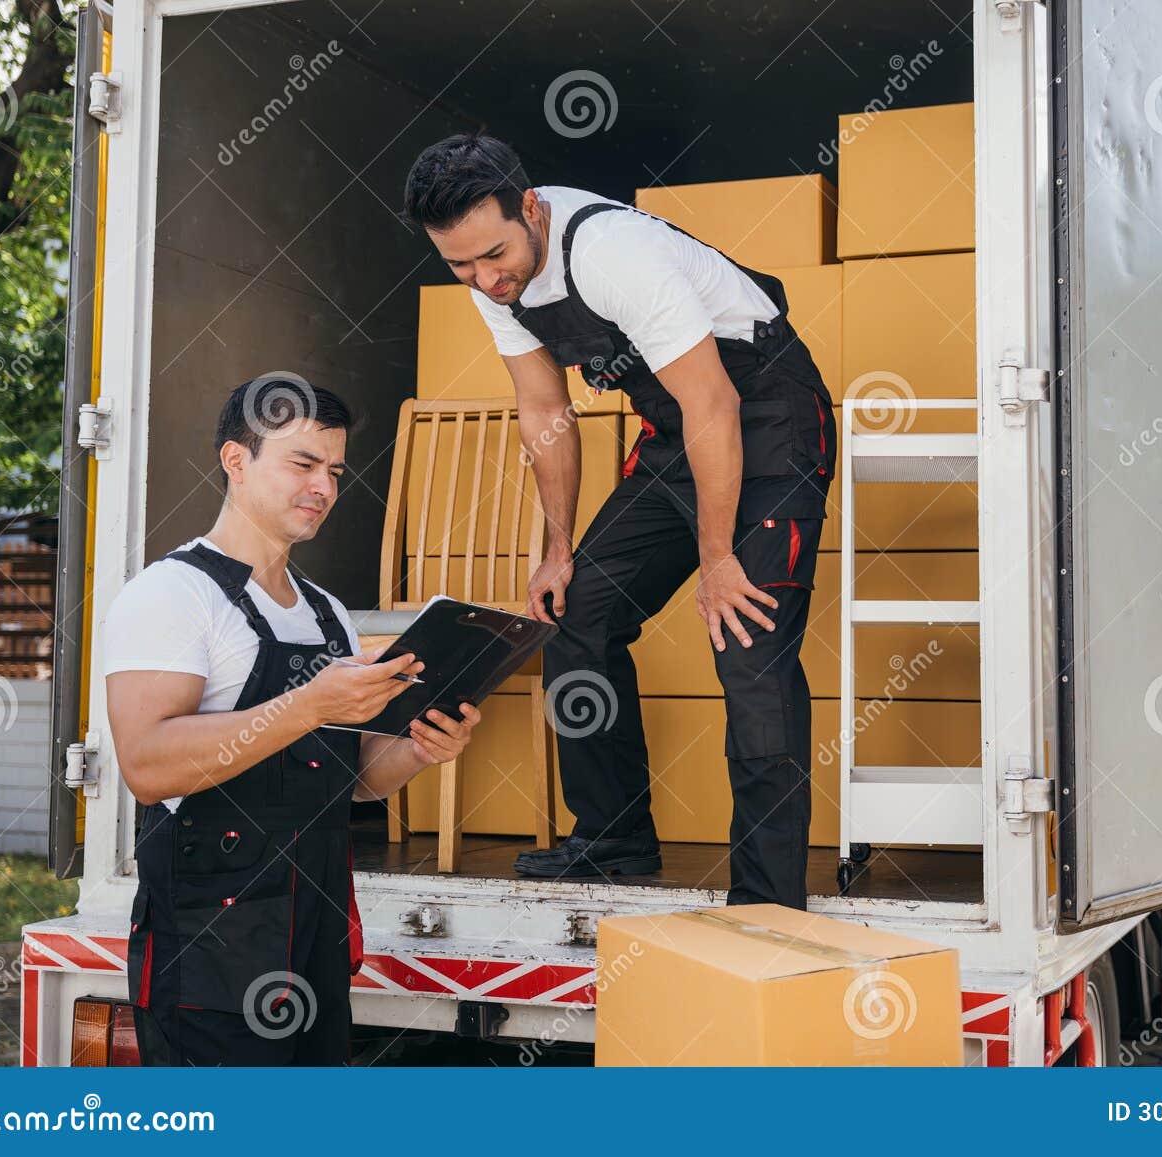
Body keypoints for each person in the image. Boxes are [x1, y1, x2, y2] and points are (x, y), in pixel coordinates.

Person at [403, 134, 835, 910]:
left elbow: (716, 403)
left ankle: (767, 902)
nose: (484, 277)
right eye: (460, 265)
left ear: (529, 208)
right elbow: (544, 412)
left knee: (747, 643)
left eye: (495, 254)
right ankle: (614, 838)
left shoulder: (611, 253)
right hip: (677, 436)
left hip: (768, 420)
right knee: (578, 612)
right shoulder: (493, 281)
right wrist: (558, 550)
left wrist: (717, 557)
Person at [104, 374, 481, 1065]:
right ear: (237, 461)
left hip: (315, 947)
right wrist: (309, 703)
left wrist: (422, 748)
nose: (324, 488)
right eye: (303, 463)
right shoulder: (173, 594)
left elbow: (356, 779)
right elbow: (147, 766)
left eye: (334, 470)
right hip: (211, 961)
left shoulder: (326, 612)